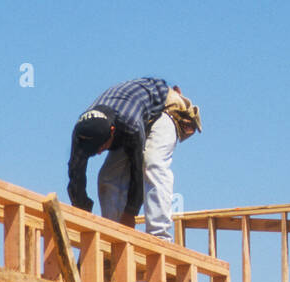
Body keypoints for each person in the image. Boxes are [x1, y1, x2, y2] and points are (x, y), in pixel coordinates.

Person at [67, 76, 201, 240]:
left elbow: (136, 172)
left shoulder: (130, 125)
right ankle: (113, 237)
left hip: (164, 108)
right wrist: (82, 213)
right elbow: (75, 176)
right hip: (134, 109)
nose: (100, 153)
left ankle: (159, 237)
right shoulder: (81, 134)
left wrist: (130, 213)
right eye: (96, 150)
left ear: (112, 131)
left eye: (103, 147)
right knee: (107, 177)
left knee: (152, 163)